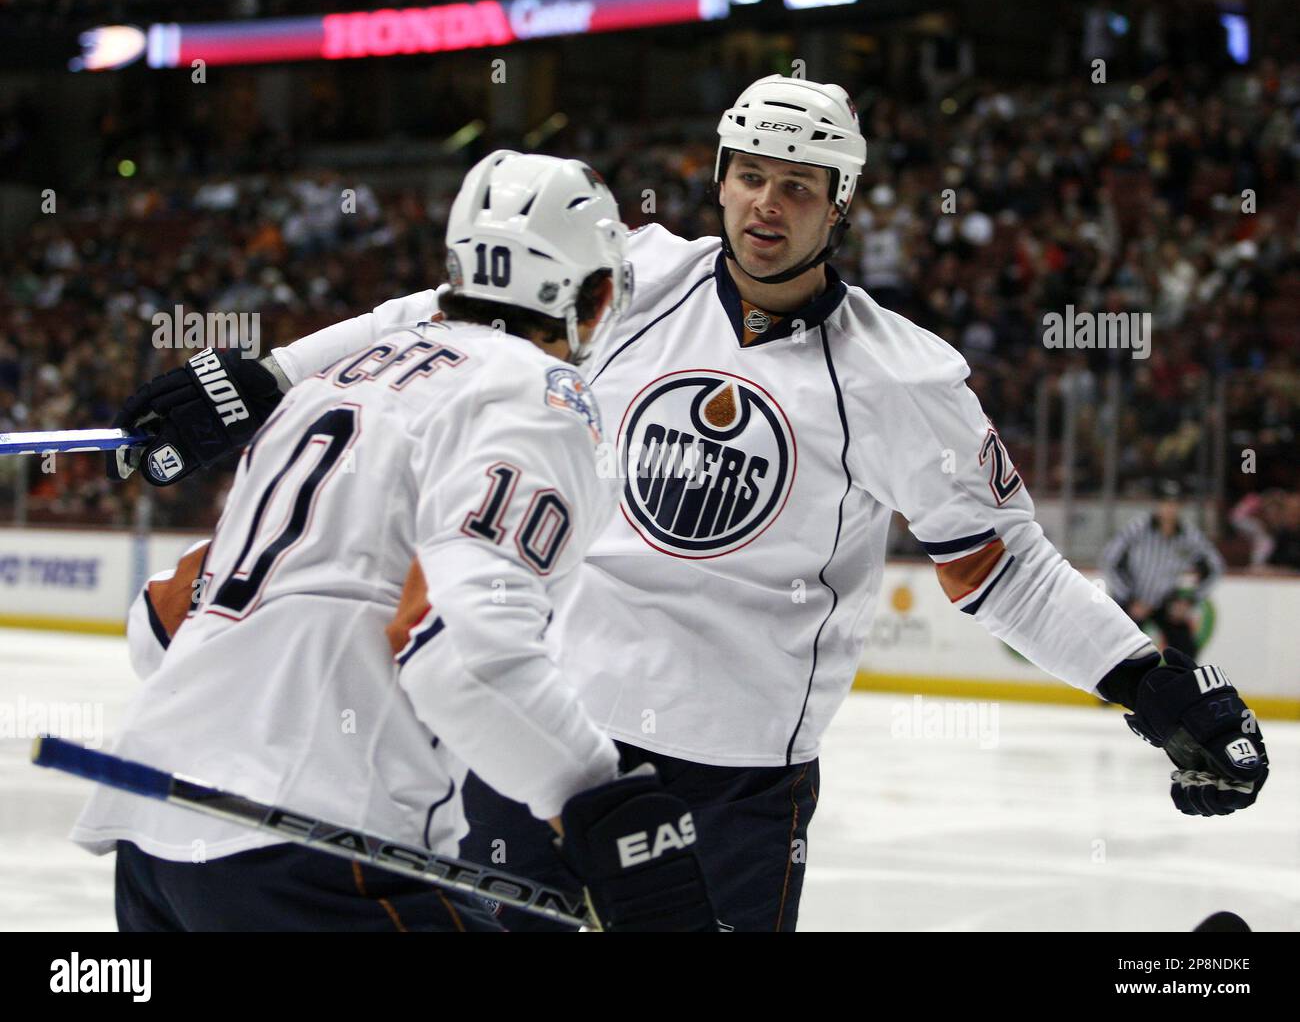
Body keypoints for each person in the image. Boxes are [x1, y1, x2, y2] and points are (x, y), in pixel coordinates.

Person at [108, 77, 1269, 931]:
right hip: (553, 748)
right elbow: (446, 309)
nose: (767, 205)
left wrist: (1151, 683)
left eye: (799, 187)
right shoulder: (632, 283)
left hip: (738, 788)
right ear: (719, 178)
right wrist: (267, 378)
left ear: (840, 206)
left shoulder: (900, 378)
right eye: (750, 176)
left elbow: (1005, 567)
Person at [75, 151, 715, 932]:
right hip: (316, 850)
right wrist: (606, 810)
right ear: (601, 291)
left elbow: (162, 623)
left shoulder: (331, 387)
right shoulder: (539, 397)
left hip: (156, 845)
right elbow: (458, 649)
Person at [1101, 480, 1226, 658]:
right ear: (1157, 504)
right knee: (1119, 653)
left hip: (1167, 603)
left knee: (1186, 654)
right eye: (1165, 503)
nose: (1170, 508)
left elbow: (1215, 566)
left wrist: (1188, 601)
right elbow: (1110, 560)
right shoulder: (1139, 528)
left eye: (1175, 503)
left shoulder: (1188, 534)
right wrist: (1129, 598)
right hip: (1134, 600)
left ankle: (1182, 686)